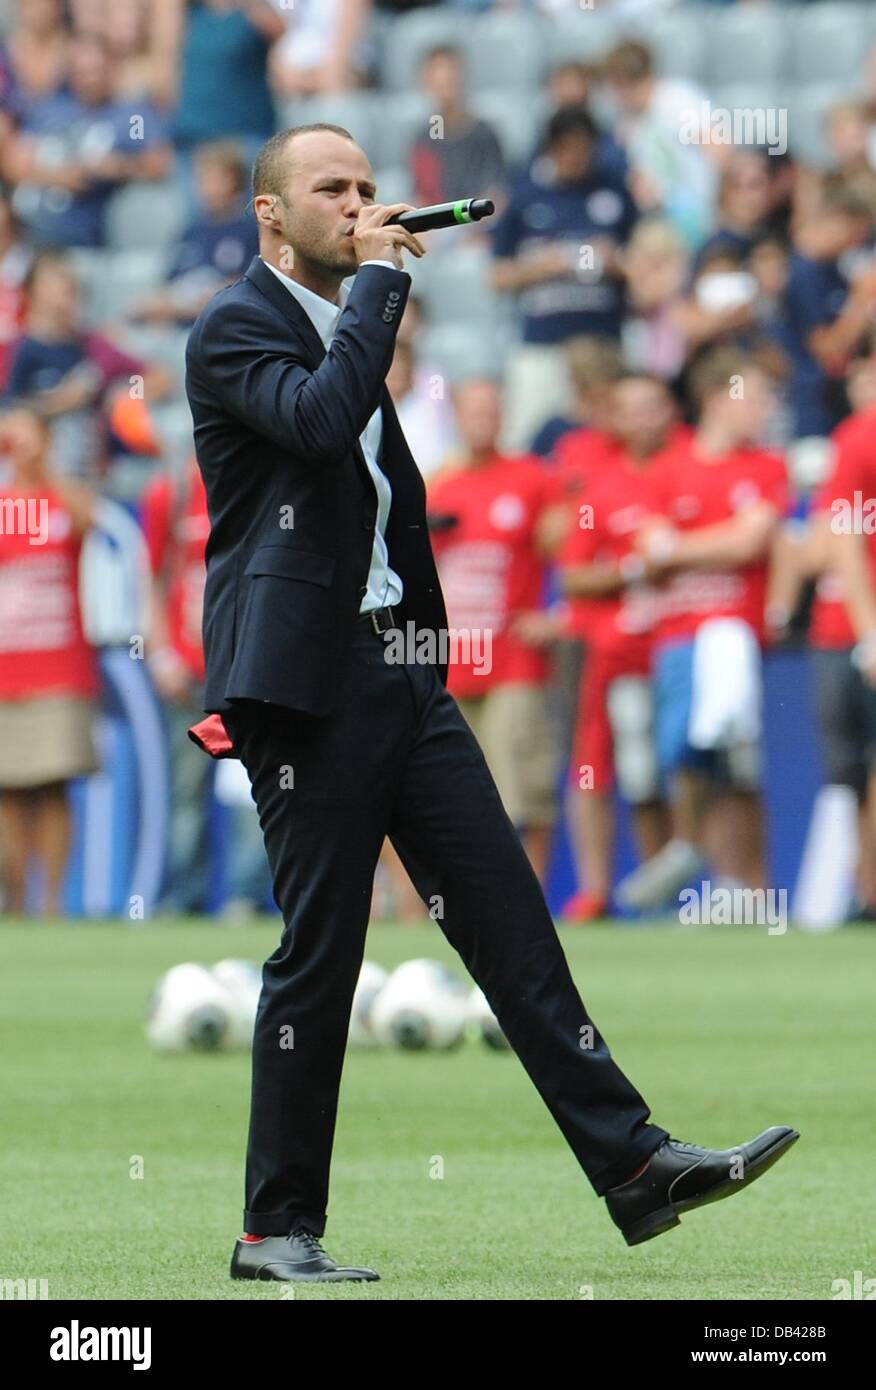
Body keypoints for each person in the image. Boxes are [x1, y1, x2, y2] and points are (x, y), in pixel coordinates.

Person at [184, 122, 797, 1282]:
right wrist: (377, 284)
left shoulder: (342, 324)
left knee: (512, 925)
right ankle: (274, 1227)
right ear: (271, 214)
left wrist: (425, 652)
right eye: (332, 188)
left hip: (399, 673)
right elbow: (318, 425)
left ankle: (633, 1163)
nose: (360, 202)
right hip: (305, 686)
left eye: (369, 186)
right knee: (322, 953)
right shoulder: (237, 326)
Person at [0, 403, 99, 916]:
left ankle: (54, 905)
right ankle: (17, 904)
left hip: (60, 666)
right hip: (6, 670)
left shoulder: (62, 498)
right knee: (9, 791)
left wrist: (43, 467)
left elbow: (89, 519)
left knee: (56, 783)